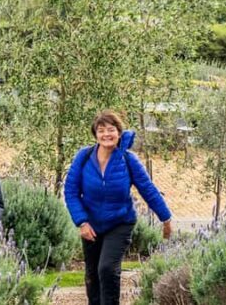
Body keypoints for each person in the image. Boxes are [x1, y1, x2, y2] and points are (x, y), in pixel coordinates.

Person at [64, 110, 173, 305]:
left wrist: (166, 219)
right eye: (101, 130)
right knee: (93, 275)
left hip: (120, 223)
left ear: (119, 133)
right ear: (95, 135)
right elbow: (71, 191)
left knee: (107, 268)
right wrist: (81, 222)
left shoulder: (128, 160)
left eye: (111, 130)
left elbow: (148, 189)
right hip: (91, 225)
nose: (106, 134)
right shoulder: (84, 156)